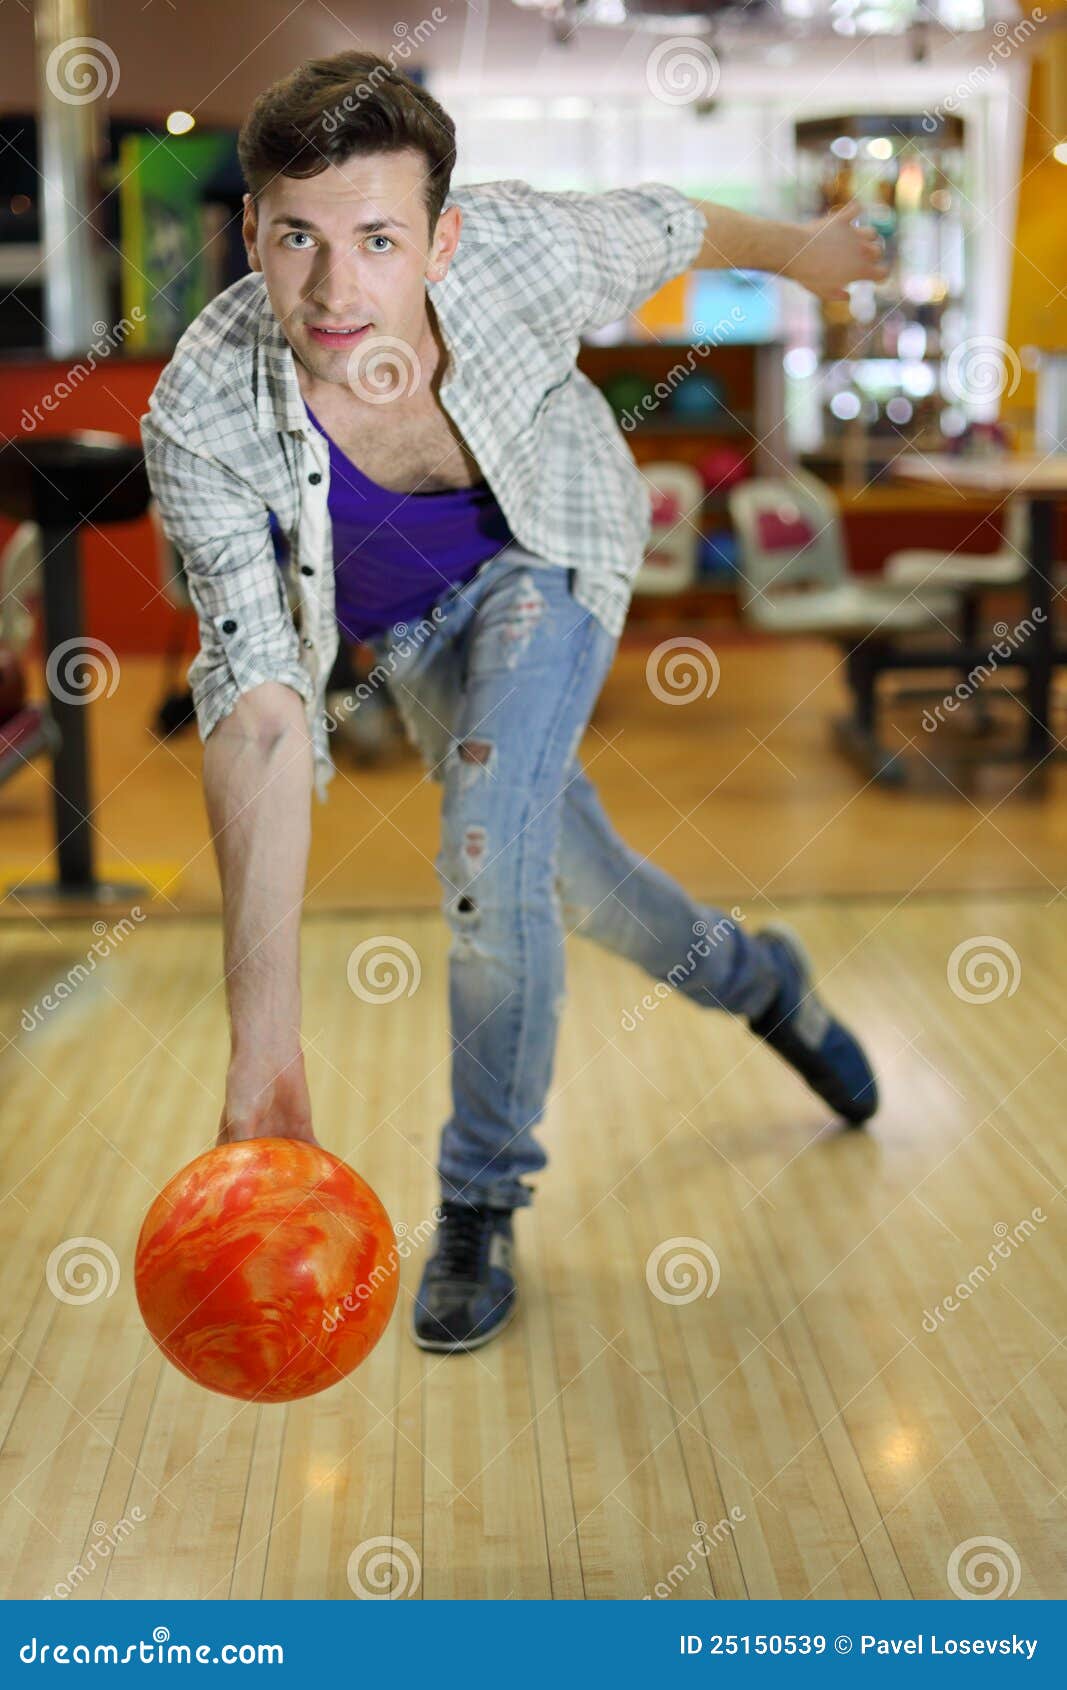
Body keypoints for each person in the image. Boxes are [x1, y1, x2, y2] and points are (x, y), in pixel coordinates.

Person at [141, 50, 885, 1356]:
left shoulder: (525, 253)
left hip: (551, 554)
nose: (333, 288)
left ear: (442, 237)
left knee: (488, 854)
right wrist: (261, 1051)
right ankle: (766, 981)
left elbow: (674, 218)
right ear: (251, 230)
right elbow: (259, 705)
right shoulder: (200, 410)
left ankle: (481, 1193)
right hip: (412, 635)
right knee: (572, 881)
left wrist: (814, 256)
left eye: (377, 238)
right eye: (296, 238)